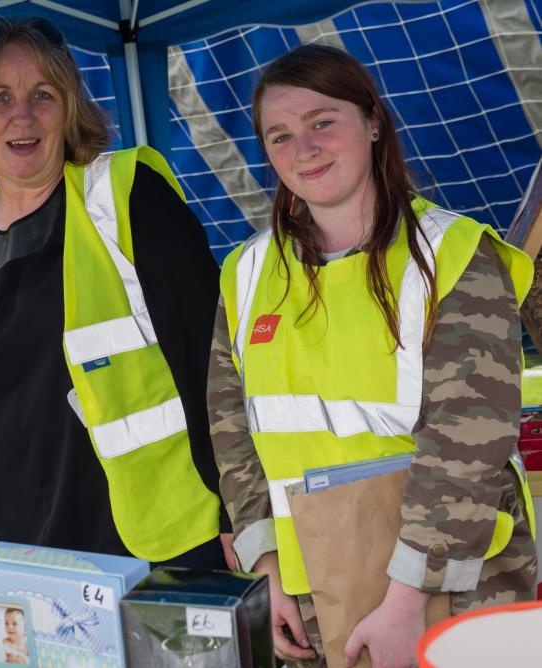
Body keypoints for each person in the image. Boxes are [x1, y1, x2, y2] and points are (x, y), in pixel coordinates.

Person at [210, 44, 538, 668]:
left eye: (322, 122)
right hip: (308, 593)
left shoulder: (456, 254)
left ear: (374, 122)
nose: (302, 149)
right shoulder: (245, 273)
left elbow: (465, 446)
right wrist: (267, 569)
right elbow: (232, 435)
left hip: (447, 592)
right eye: (279, 136)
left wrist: (406, 602)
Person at [0, 16, 231, 568]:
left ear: (70, 108)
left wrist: (235, 516)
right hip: (28, 552)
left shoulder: (126, 194)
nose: (22, 115)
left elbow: (211, 361)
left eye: (43, 94)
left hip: (163, 544)